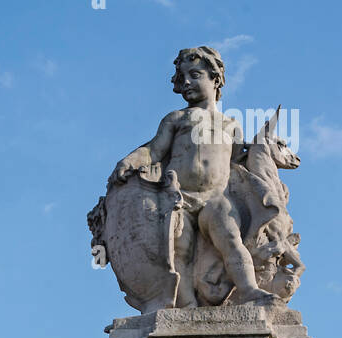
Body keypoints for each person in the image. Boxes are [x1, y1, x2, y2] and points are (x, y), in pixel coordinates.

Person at [111, 46, 276, 308]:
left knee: (230, 238)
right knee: (179, 250)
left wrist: (265, 151)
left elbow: (237, 162)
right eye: (182, 78)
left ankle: (248, 289)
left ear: (215, 78)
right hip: (180, 198)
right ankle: (185, 305)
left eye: (195, 75)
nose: (186, 83)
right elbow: (154, 150)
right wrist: (130, 160)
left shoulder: (230, 124)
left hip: (216, 197)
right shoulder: (177, 118)